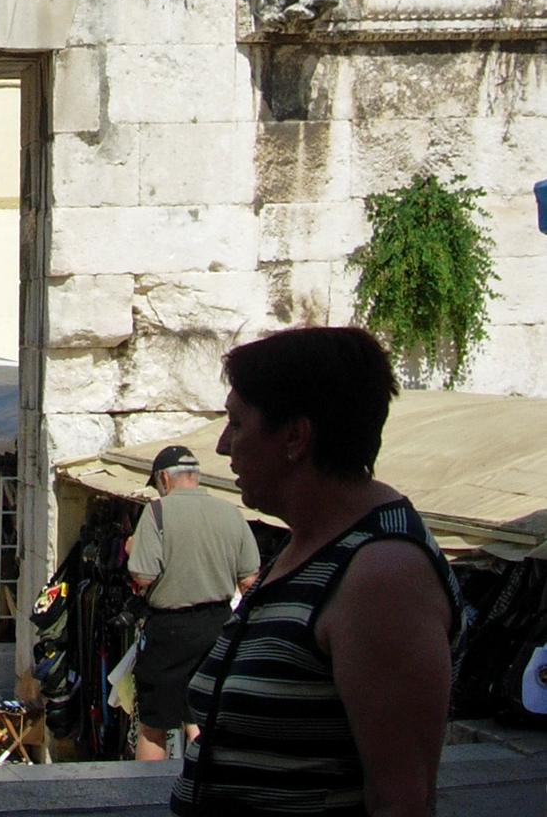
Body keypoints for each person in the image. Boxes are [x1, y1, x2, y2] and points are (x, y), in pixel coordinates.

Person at [172, 326, 462, 817]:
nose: (223, 447)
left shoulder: (381, 575)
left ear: (295, 436)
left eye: (237, 424)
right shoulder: (309, 544)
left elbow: (402, 800)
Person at [127, 443, 259, 760]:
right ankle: (204, 786)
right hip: (217, 624)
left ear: (164, 478)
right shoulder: (231, 512)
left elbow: (143, 577)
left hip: (169, 628)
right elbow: (250, 579)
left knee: (154, 724)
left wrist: (132, 550)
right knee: (200, 714)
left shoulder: (157, 511)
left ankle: (146, 798)